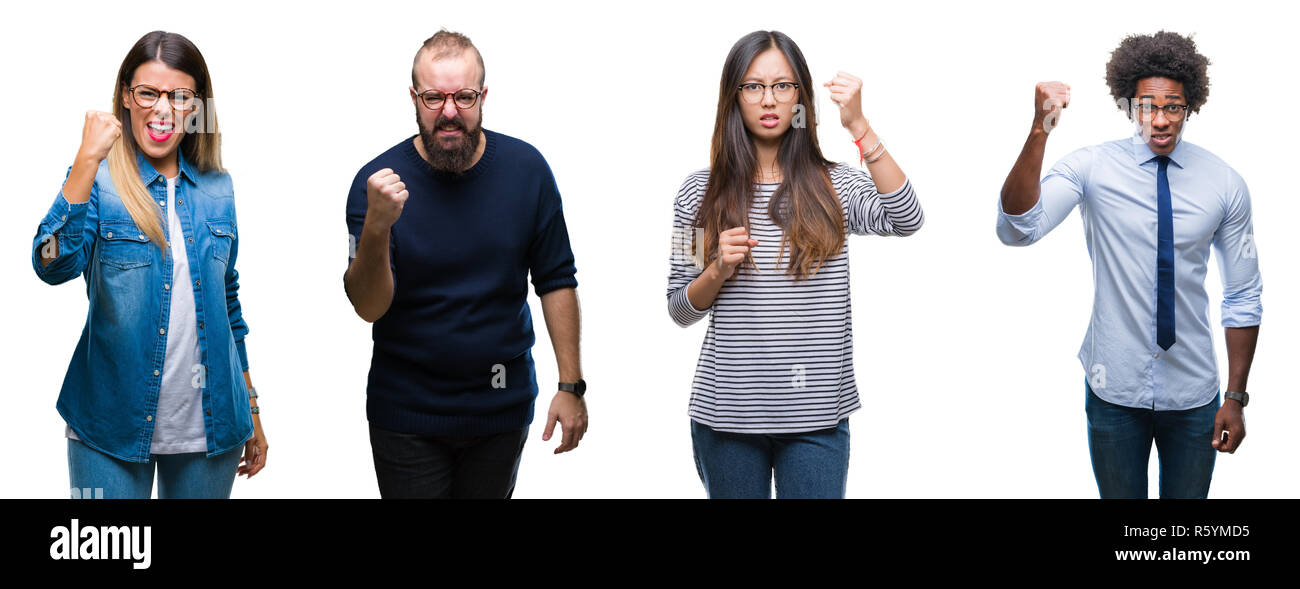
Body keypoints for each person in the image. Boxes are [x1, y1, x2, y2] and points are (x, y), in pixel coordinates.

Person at [996, 31, 1261, 498]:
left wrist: (1235, 397)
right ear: (1129, 105)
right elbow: (1018, 229)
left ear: (1190, 106)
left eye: (1172, 106)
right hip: (1113, 388)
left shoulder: (1224, 183)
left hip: (1194, 392)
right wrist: (1040, 129)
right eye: (1146, 106)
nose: (1159, 120)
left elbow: (1242, 295)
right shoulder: (1091, 167)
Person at [667, 30, 924, 499]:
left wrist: (860, 127)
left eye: (783, 86)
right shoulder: (695, 194)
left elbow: (906, 217)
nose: (769, 99)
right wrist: (717, 270)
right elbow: (680, 308)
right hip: (727, 419)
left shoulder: (836, 187)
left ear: (801, 97)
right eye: (753, 86)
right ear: (734, 98)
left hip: (818, 419)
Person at [344, 29, 588, 499]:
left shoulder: (527, 170)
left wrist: (571, 385)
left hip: (501, 406)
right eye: (434, 97)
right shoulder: (375, 185)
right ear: (414, 98)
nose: (450, 111)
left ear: (484, 96)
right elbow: (369, 306)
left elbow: (557, 279)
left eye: (464, 96)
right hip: (406, 414)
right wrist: (378, 226)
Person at [32, 31, 268, 499]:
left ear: (196, 107)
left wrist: (253, 406)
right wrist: (85, 158)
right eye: (148, 93)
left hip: (213, 424)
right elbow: (51, 264)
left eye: (179, 96)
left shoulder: (219, 188)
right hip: (107, 424)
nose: (162, 109)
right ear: (126, 95)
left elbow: (227, 303)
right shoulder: (98, 180)